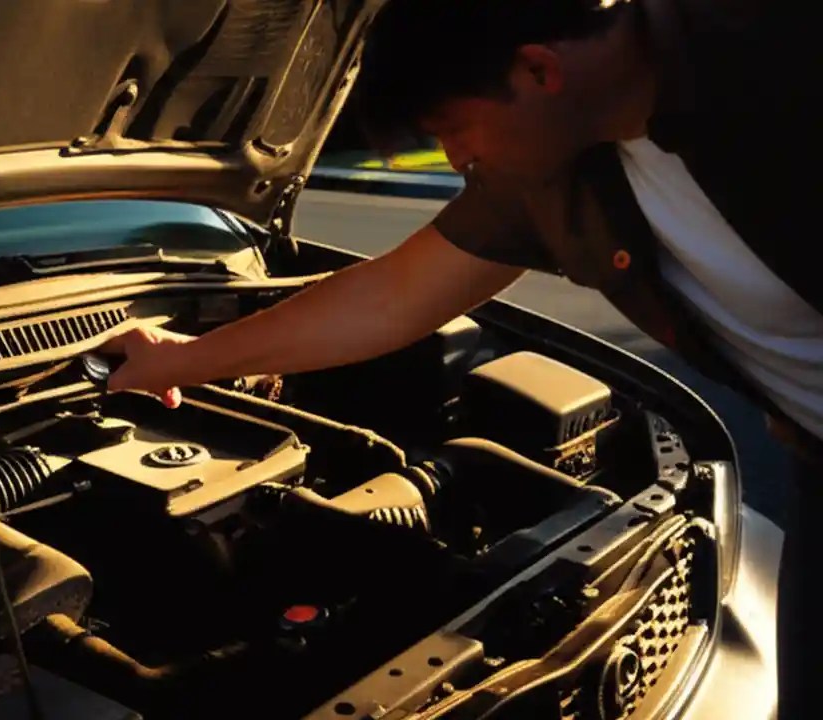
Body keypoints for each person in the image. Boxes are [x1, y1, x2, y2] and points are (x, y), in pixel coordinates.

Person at [100, 0, 819, 716]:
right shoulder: (552, 169)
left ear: (538, 70)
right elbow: (393, 297)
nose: (455, 159)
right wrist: (180, 361)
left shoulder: (773, 53)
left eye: (455, 129)